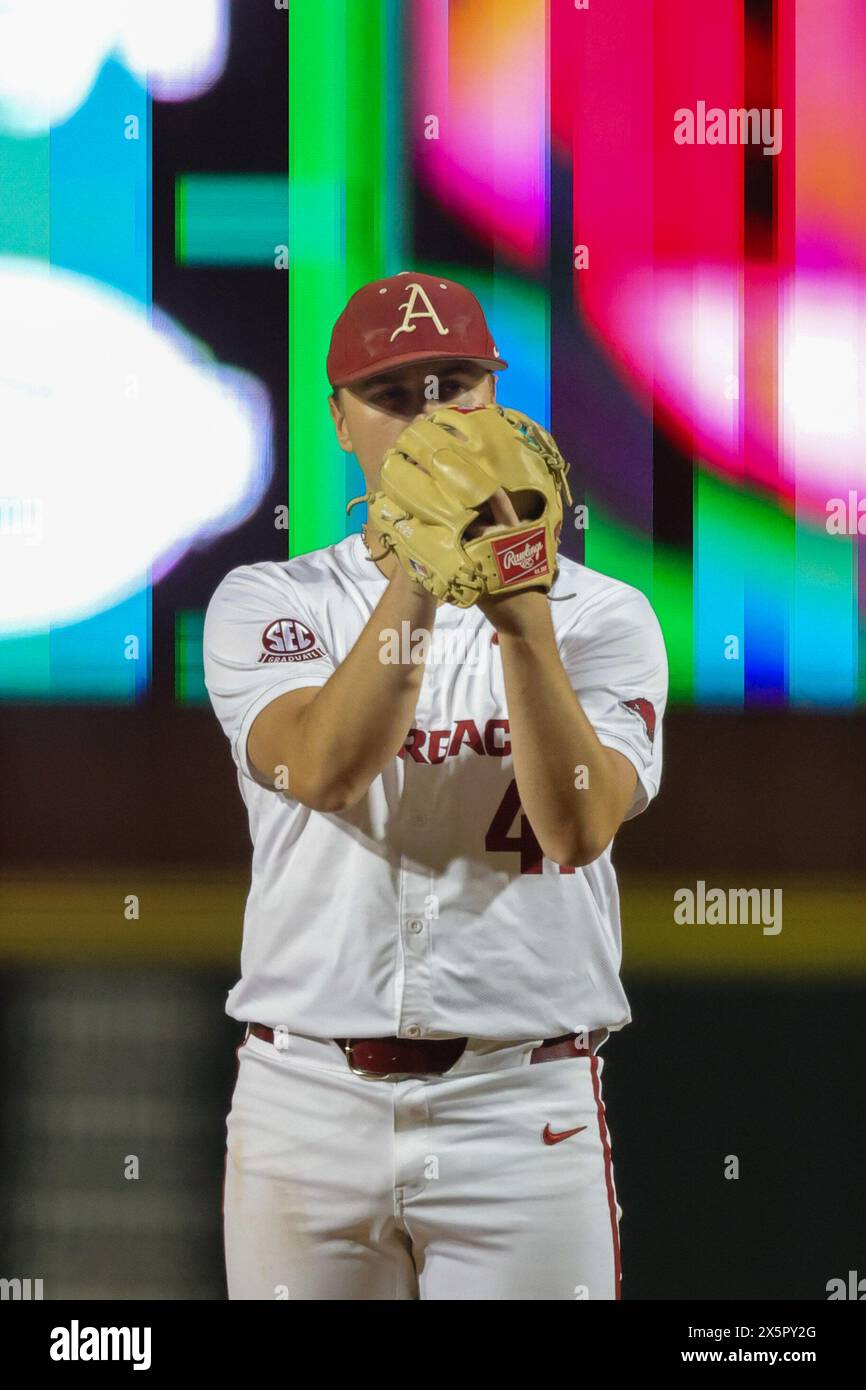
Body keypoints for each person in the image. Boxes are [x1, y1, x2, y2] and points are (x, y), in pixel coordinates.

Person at [203, 270, 669, 1300]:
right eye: (392, 391)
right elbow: (319, 767)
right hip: (306, 1100)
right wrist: (421, 562)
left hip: (520, 1104)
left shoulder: (601, 616)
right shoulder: (268, 602)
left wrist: (519, 611)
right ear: (337, 419)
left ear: (496, 400)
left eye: (452, 383)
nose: (426, 414)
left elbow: (578, 822)